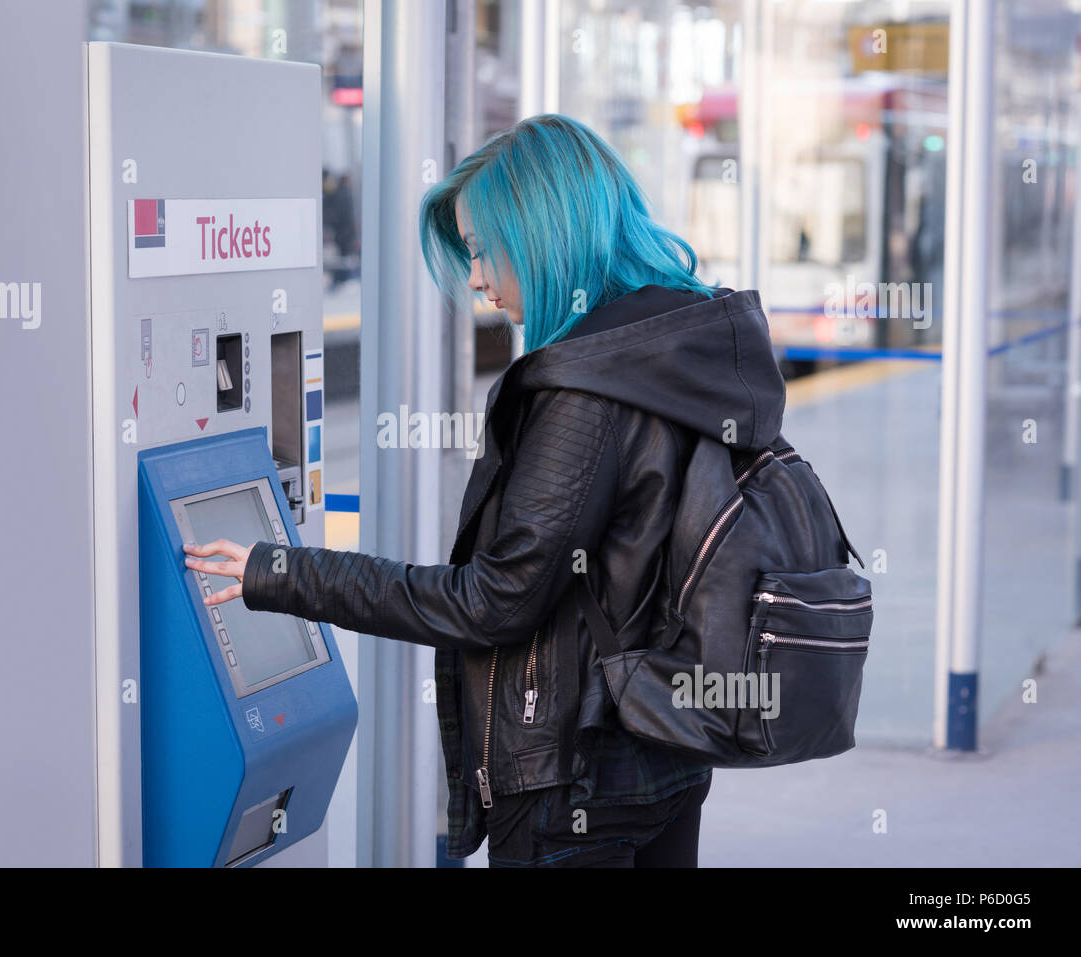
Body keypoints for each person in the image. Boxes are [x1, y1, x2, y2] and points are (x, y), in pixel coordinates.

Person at [183, 114, 786, 867]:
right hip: (666, 753)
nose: (474, 279)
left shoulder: (584, 389)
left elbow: (492, 600)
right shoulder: (680, 350)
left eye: (479, 251)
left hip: (570, 780)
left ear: (541, 234)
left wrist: (282, 572)